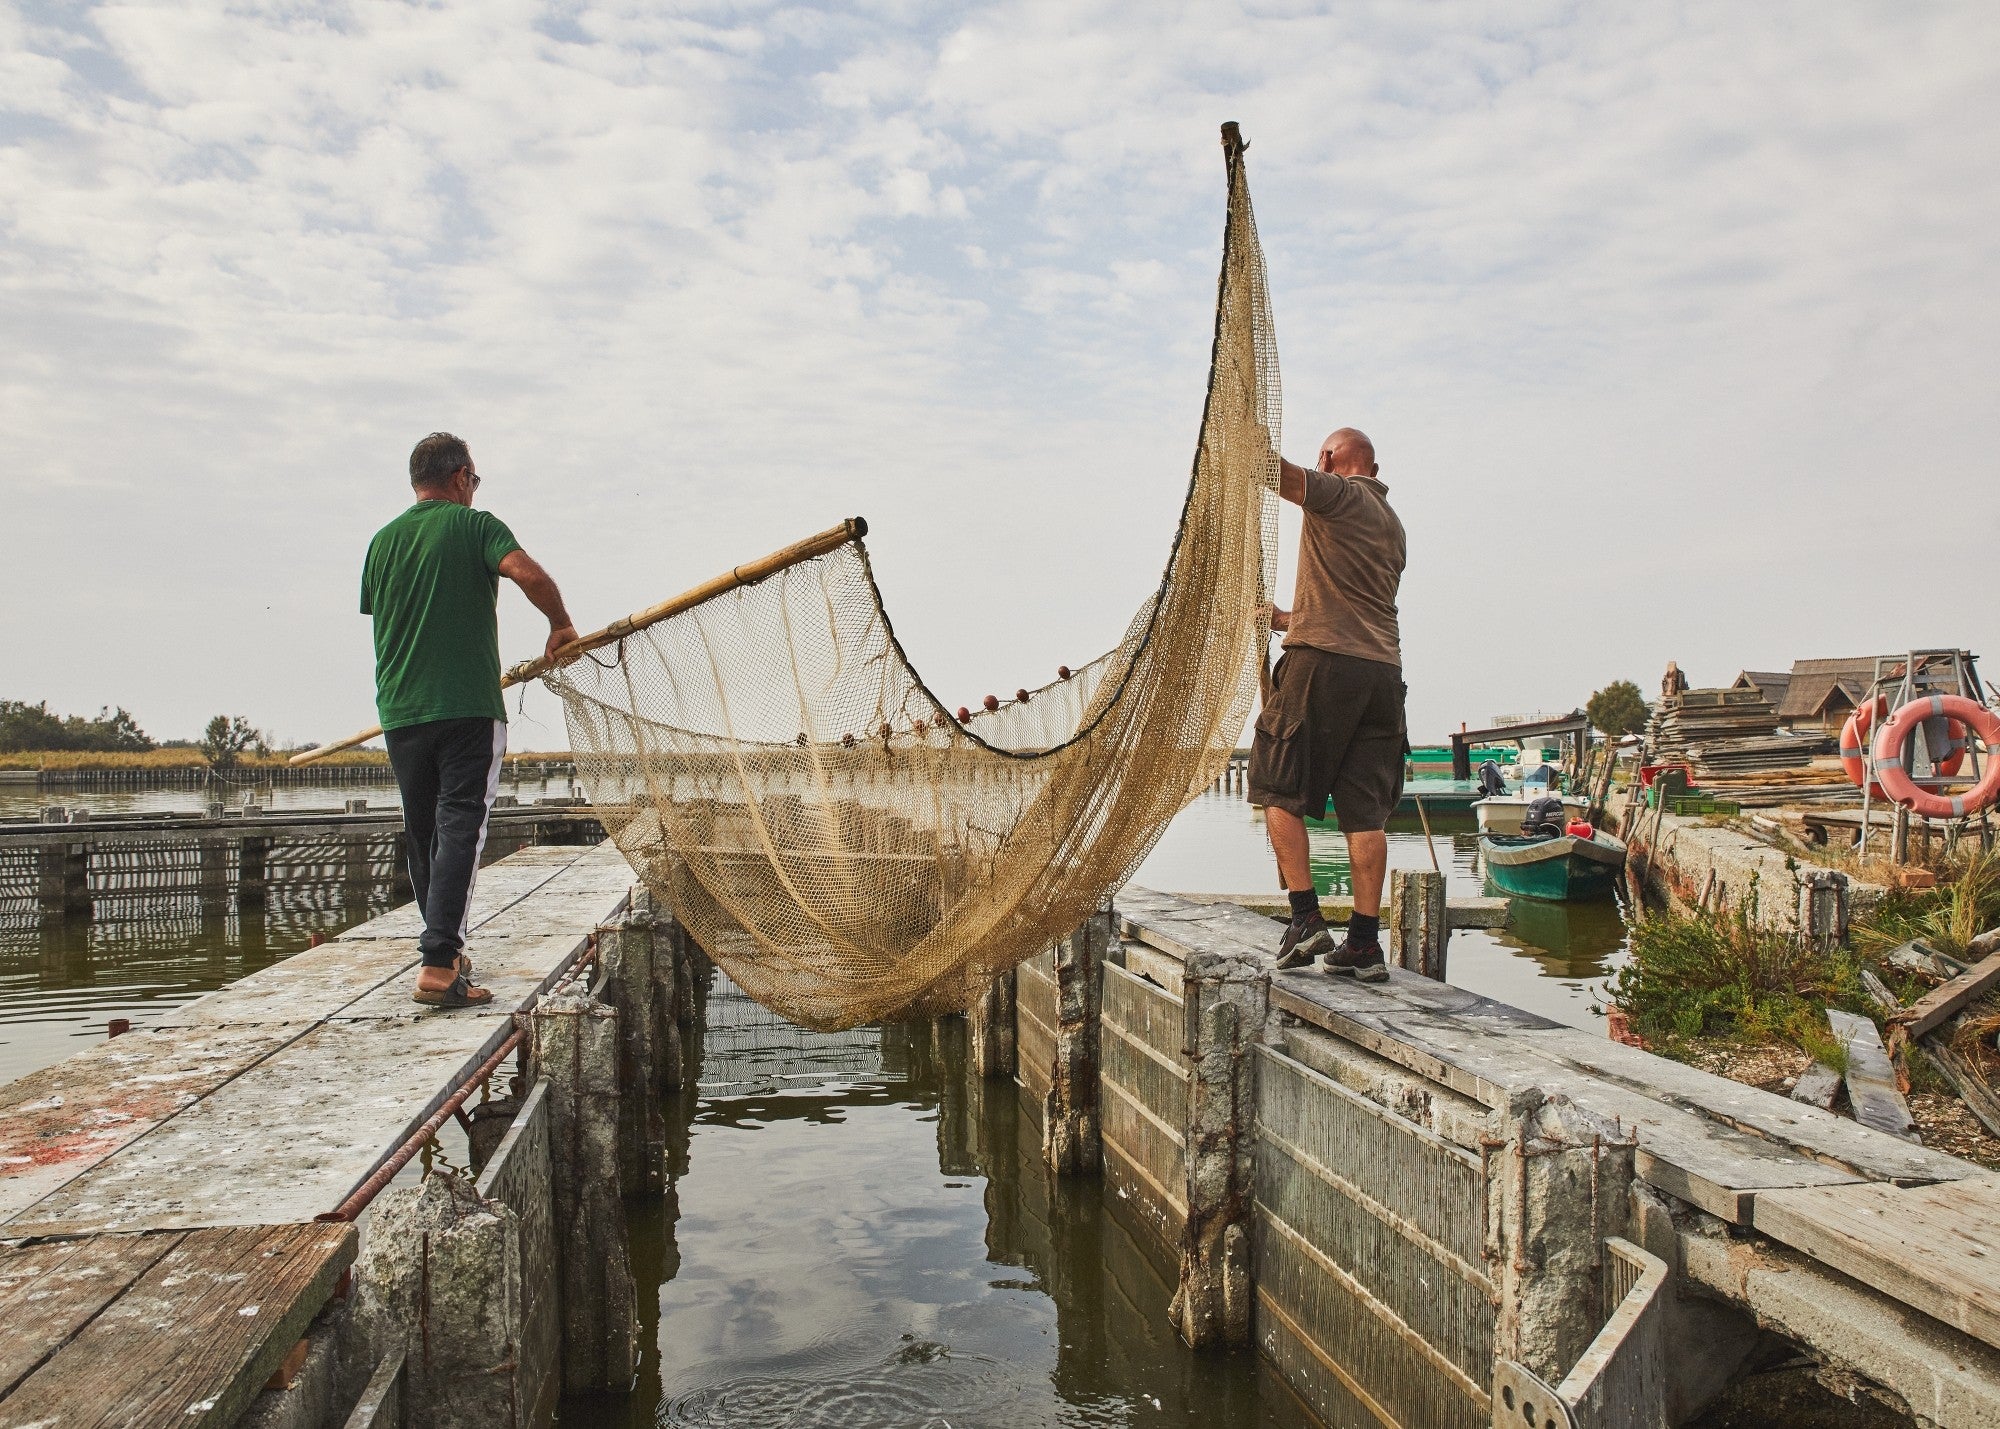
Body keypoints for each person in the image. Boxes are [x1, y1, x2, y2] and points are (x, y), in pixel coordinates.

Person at [361, 432, 578, 1008]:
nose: (475, 490)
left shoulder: (382, 543)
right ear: (460, 478)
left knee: (424, 829)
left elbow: (388, 617)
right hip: (467, 708)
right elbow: (528, 574)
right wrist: (560, 625)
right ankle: (438, 964)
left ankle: (444, 951)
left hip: (401, 710)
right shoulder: (476, 526)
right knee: (462, 823)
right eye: (475, 481)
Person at [1249, 427, 1407, 982]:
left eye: (1323, 458)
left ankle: (1305, 917)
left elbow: (1282, 478)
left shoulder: (1343, 494)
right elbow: (1353, 605)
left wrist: (1244, 437)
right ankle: (1364, 944)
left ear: (1331, 460)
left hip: (1323, 665)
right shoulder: (1394, 527)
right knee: (1365, 811)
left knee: (1274, 781)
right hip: (1382, 675)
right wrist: (1284, 620)